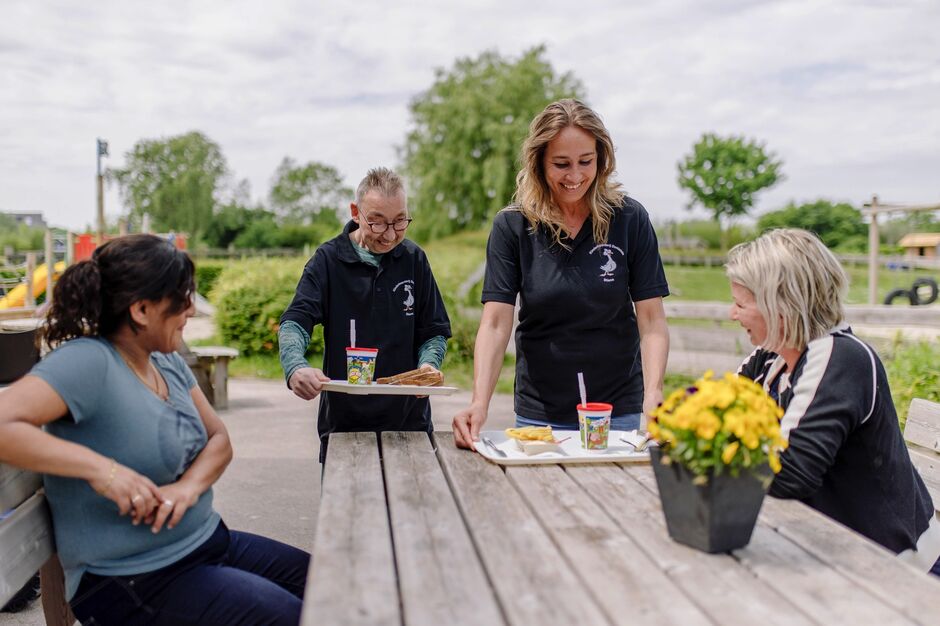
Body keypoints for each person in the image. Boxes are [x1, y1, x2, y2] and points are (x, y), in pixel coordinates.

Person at [0, 234, 310, 624]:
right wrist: (103, 470)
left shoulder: (165, 360)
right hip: (133, 580)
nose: (191, 309)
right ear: (142, 309)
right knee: (291, 616)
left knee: (331, 584)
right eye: (182, 298)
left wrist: (188, 487)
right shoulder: (88, 361)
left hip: (205, 544)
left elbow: (219, 439)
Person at [452, 99, 670, 448]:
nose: (575, 176)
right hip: (540, 411)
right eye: (561, 164)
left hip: (616, 408)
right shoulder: (512, 225)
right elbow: (495, 323)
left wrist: (654, 393)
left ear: (602, 159)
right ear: (539, 162)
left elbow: (651, 319)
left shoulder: (630, 219)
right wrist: (479, 403)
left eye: (586, 161)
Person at [727, 228, 940, 575]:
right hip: (830, 549)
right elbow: (714, 411)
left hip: (896, 566)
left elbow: (788, 473)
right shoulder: (771, 358)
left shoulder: (839, 358)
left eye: (740, 304)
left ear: (780, 305)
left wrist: (714, 449)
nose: (732, 315)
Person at [279, 167, 452, 461]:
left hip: (410, 426)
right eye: (378, 222)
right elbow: (295, 322)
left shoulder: (414, 259)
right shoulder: (328, 260)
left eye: (400, 221)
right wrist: (295, 365)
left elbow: (433, 330)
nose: (390, 235)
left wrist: (428, 366)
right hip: (344, 428)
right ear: (355, 212)